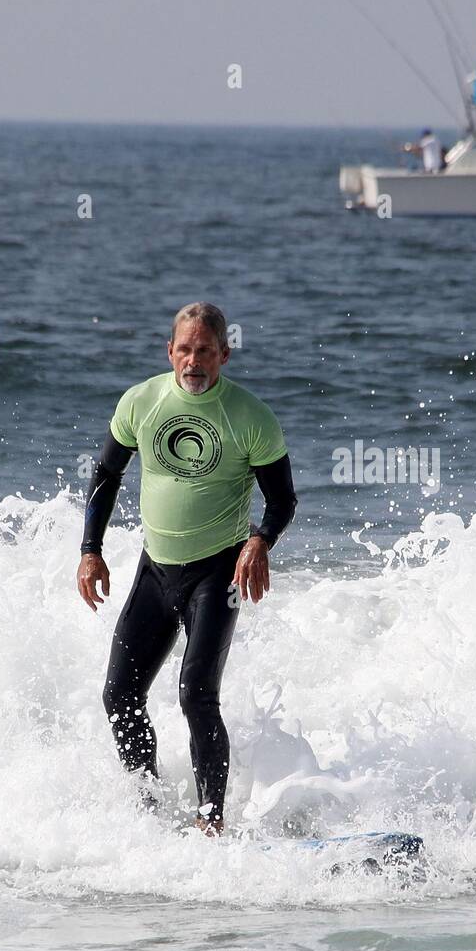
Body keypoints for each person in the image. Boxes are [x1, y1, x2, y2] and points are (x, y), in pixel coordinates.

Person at [76, 302, 297, 836]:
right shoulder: (142, 402)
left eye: (205, 351)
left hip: (216, 574)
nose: (193, 361)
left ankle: (210, 819)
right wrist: (90, 549)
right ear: (169, 351)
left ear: (224, 353)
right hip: (156, 571)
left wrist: (260, 541)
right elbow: (105, 476)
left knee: (195, 694)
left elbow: (283, 499)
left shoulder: (250, 417)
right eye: (185, 349)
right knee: (119, 694)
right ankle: (148, 808)